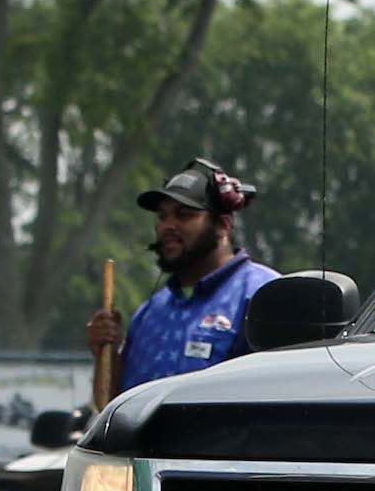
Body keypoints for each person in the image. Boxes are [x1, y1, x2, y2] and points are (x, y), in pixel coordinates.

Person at [87, 158, 277, 391]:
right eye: (162, 216)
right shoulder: (149, 313)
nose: (167, 225)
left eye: (184, 214)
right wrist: (106, 354)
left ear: (223, 225)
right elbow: (113, 406)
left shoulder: (265, 294)